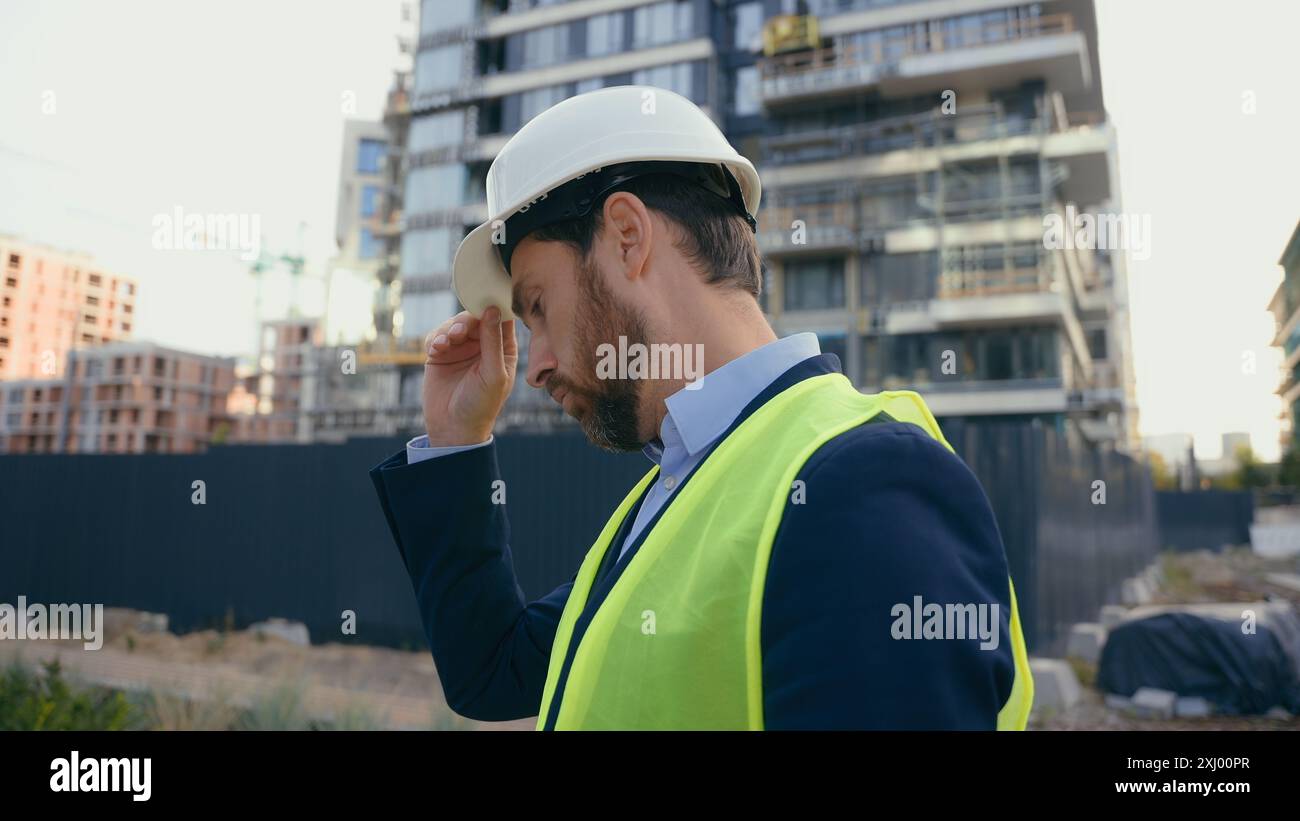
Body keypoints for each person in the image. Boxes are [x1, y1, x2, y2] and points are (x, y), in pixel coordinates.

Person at [369, 86, 1032, 729]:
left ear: (627, 235)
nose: (534, 364)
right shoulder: (688, 488)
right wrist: (458, 439)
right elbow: (494, 671)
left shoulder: (866, 485)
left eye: (538, 307)